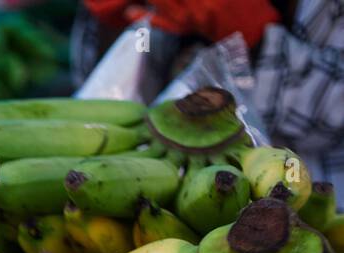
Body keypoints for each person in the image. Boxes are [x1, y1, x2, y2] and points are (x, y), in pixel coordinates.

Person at [73, 0, 344, 198]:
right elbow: (101, 87)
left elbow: (336, 114)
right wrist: (114, 20)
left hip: (310, 201)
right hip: (131, 181)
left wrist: (257, 39)